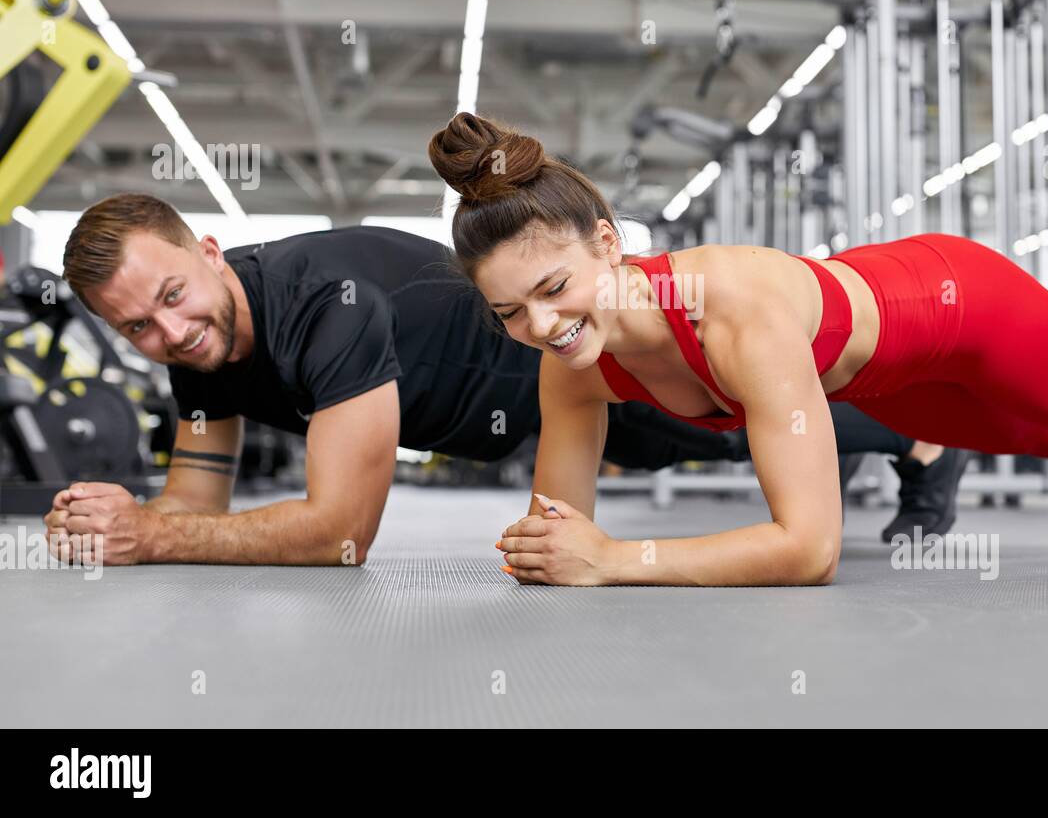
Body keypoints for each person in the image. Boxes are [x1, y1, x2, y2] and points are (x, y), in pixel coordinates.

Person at [423, 112, 1048, 587]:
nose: (541, 327)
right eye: (509, 312)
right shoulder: (570, 363)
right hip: (884, 380)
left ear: (609, 245)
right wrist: (556, 553)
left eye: (553, 291)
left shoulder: (734, 310)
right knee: (1030, 435)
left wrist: (618, 561)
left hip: (961, 304)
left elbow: (809, 551)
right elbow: (555, 536)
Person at [44, 193, 958, 565]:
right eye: (136, 327)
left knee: (715, 418)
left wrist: (156, 540)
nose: (167, 332)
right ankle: (907, 437)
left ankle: (920, 437)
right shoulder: (194, 351)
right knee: (667, 447)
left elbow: (340, 536)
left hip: (541, 357)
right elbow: (193, 496)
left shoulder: (323, 304)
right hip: (496, 413)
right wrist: (123, 522)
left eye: (172, 295)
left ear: (208, 251)